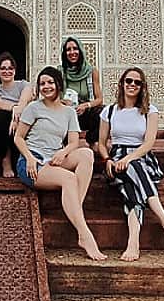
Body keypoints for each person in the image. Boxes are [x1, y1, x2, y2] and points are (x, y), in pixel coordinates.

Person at [14, 66, 107, 261]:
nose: (46, 86)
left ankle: (75, 210)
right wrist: (29, 158)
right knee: (69, 178)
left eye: (50, 82)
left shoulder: (68, 112)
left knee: (86, 154)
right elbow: (18, 138)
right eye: (42, 83)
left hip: (54, 158)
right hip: (32, 162)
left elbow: (74, 142)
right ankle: (84, 234)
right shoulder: (33, 108)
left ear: (58, 84)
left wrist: (62, 152)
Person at [97, 67, 164, 261]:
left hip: (141, 157)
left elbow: (148, 142)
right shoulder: (109, 111)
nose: (132, 85)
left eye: (137, 82)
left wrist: (129, 159)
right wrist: (107, 159)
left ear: (142, 86)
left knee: (132, 175)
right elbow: (101, 143)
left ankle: (135, 241)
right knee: (130, 178)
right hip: (116, 157)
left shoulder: (149, 111)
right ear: (122, 83)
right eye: (129, 81)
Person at [0, 52, 29, 177]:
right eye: (3, 68)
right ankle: (6, 159)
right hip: (2, 134)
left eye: (10, 68)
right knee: (3, 116)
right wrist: (14, 109)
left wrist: (16, 117)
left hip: (21, 128)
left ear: (14, 71)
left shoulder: (24, 85)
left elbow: (24, 101)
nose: (7, 71)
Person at [59, 37, 103, 145]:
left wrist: (85, 105)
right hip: (66, 112)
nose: (72, 52)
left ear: (81, 50)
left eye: (75, 48)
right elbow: (53, 97)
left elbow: (99, 99)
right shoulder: (60, 71)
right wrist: (62, 102)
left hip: (85, 112)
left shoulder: (91, 71)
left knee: (102, 112)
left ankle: (91, 141)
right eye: (68, 50)